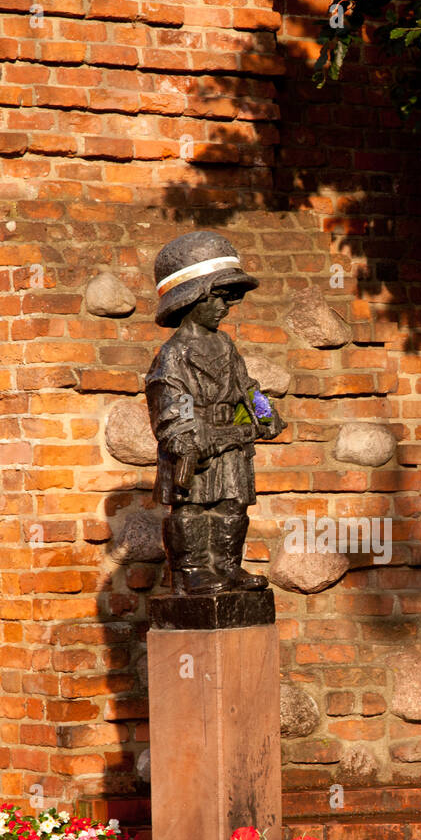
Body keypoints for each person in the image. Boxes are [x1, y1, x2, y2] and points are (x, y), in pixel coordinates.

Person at [145, 231, 285, 596]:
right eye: (219, 299)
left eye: (230, 300)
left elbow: (246, 385)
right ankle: (192, 571)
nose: (226, 308)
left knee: (232, 505)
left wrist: (264, 412)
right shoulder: (175, 353)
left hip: (232, 436)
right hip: (196, 447)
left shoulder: (224, 344)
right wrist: (187, 432)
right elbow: (172, 395)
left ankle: (227, 567)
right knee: (190, 509)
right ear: (193, 300)